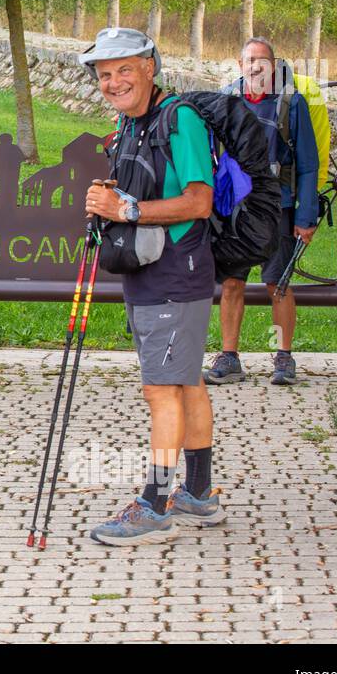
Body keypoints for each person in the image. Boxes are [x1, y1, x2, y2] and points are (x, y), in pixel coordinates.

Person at [80, 28, 224, 545]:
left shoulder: (179, 120)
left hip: (176, 273)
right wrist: (110, 200)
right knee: (186, 382)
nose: (114, 82)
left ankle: (155, 506)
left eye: (124, 69)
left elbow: (199, 201)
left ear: (150, 67)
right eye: (104, 75)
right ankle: (198, 495)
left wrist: (128, 210)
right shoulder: (131, 123)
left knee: (160, 390)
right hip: (152, 272)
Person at [204, 37, 320, 386]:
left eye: (263, 60)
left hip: (275, 208)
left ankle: (283, 356)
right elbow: (208, 153)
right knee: (231, 283)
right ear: (240, 65)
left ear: (273, 66)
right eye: (250, 60)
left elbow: (308, 165)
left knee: (277, 283)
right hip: (234, 209)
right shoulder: (225, 100)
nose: (256, 66)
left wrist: (305, 216)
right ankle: (229, 356)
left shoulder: (291, 103)